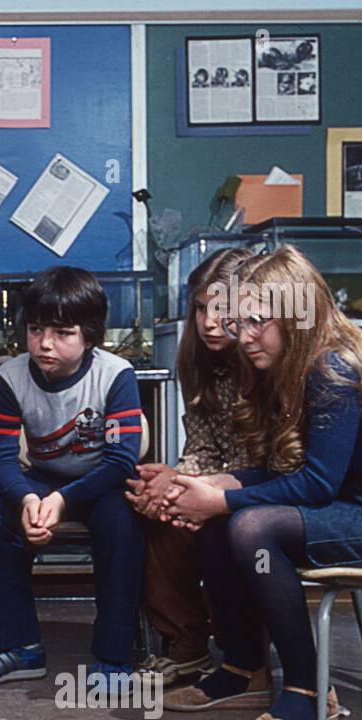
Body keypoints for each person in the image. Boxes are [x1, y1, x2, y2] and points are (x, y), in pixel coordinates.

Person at [161, 245, 362, 720]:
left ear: (297, 317)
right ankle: (243, 668)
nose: (244, 336)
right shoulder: (286, 366)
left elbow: (318, 485)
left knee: (253, 526)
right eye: (240, 323)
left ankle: (307, 690)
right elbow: (284, 471)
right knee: (217, 525)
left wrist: (225, 499)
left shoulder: (331, 369)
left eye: (258, 322)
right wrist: (214, 488)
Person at [0, 266, 145, 686]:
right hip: (41, 481)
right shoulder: (11, 376)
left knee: (123, 519)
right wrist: (27, 499)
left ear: (90, 336)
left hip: (102, 483)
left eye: (63, 332)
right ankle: (16, 647)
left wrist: (62, 502)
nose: (45, 343)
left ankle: (116, 656)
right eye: (36, 329)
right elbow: (1, 460)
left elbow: (120, 462)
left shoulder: (116, 375)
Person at [125, 247, 260, 684]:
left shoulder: (266, 363)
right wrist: (172, 481)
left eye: (222, 311)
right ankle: (187, 645)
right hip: (219, 481)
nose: (207, 322)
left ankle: (241, 646)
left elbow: (271, 461)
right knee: (156, 507)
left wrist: (183, 484)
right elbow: (201, 446)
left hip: (262, 489)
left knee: (188, 512)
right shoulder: (199, 362)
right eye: (201, 309)